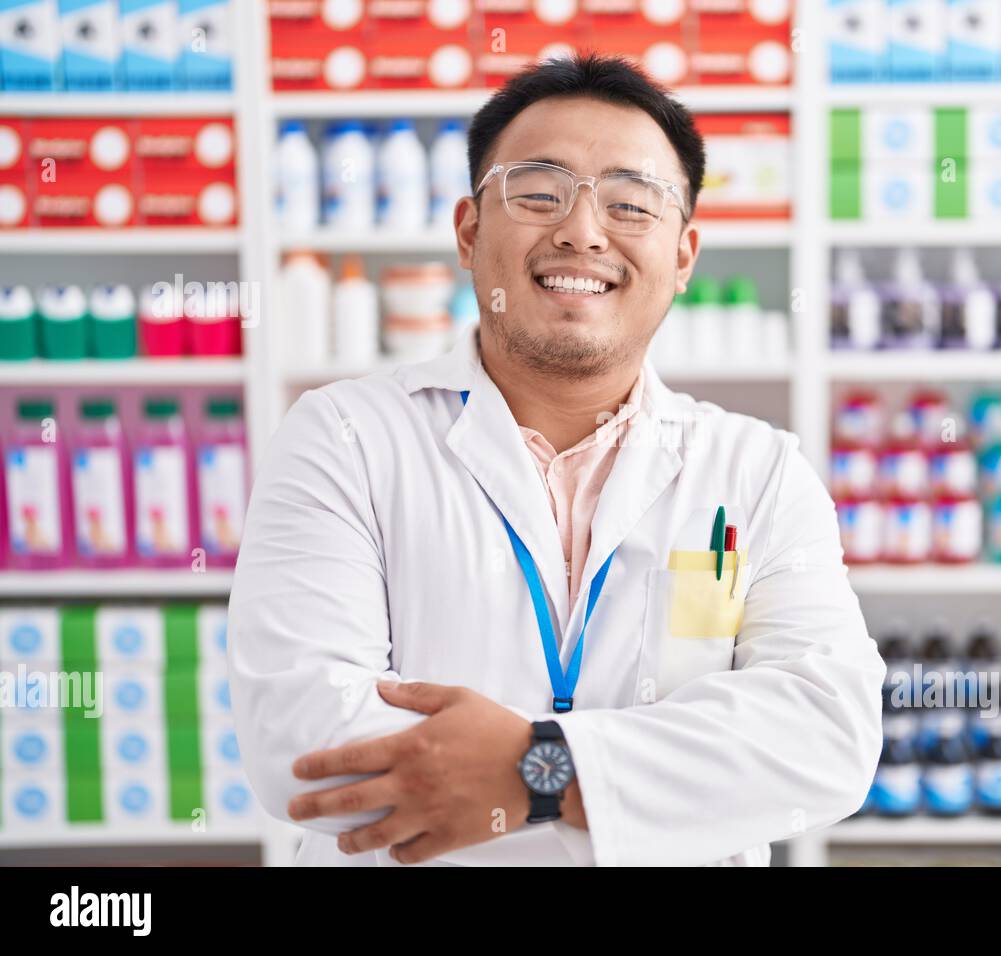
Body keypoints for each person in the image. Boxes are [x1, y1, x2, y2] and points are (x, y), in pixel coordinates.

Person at [228, 53, 885, 866]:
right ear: (470, 231)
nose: (582, 230)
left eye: (632, 203)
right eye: (539, 194)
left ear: (683, 255)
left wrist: (538, 772)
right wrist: (647, 786)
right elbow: (306, 746)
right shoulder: (343, 439)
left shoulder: (759, 471)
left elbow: (825, 739)